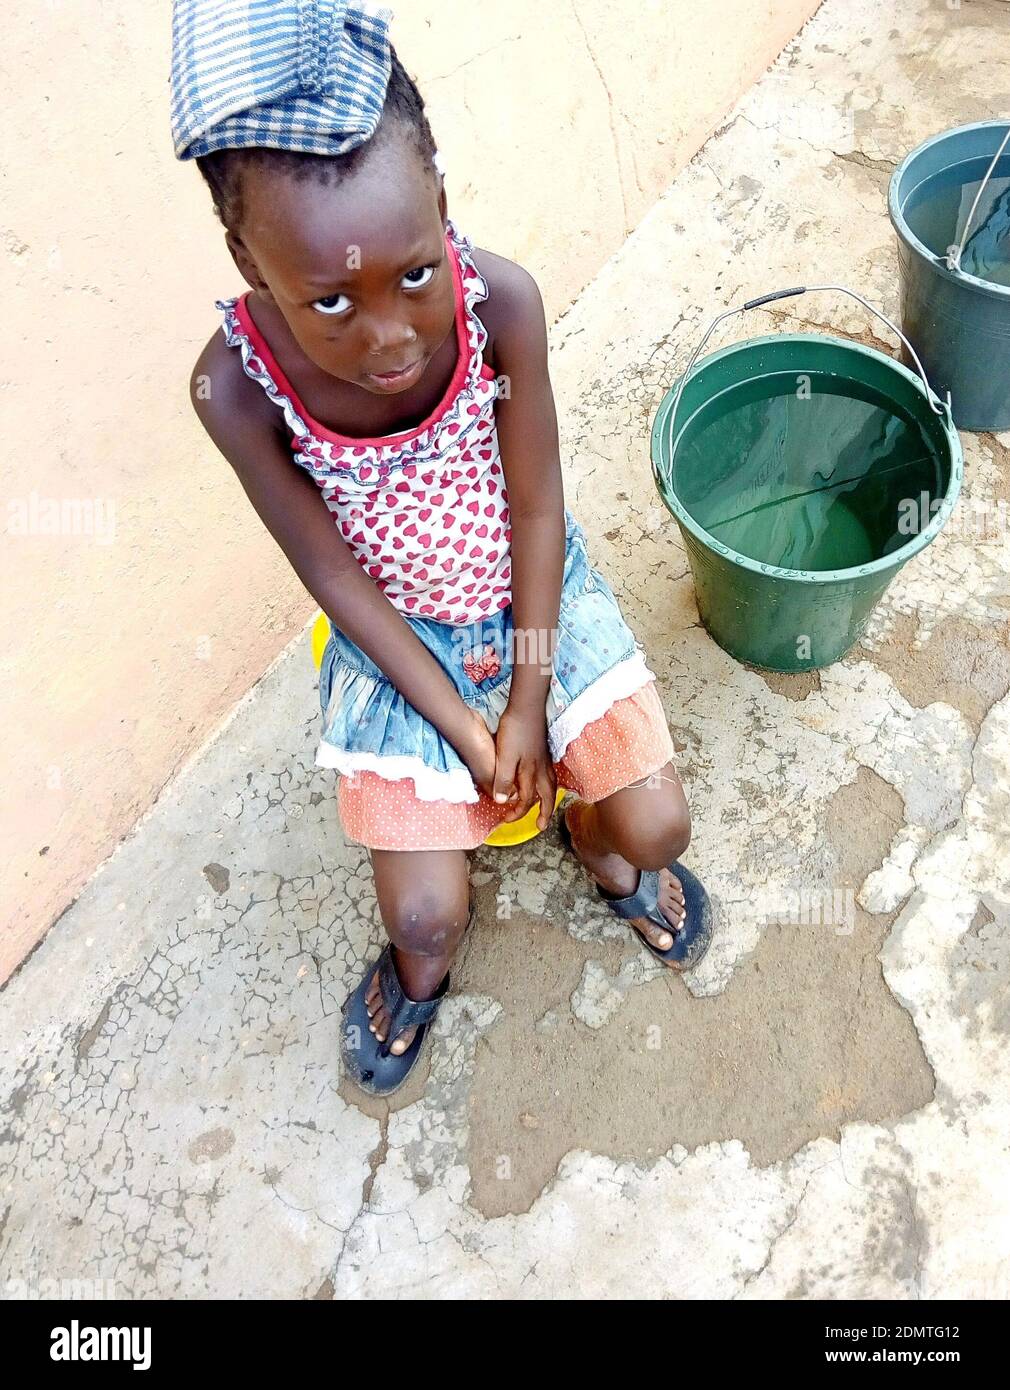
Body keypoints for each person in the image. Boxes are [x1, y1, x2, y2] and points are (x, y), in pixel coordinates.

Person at [174, 0, 714, 1096]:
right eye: (327, 299)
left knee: (653, 827)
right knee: (426, 915)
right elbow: (332, 575)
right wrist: (465, 726)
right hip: (400, 637)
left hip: (531, 593)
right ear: (245, 257)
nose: (388, 337)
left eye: (413, 274)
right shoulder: (232, 388)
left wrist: (523, 701)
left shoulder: (498, 303)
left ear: (443, 207)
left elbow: (533, 505)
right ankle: (418, 973)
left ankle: (592, 838)